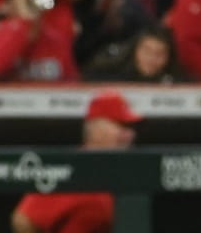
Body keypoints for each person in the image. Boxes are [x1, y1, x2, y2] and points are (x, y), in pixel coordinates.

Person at [10, 91, 139, 233]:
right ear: (96, 128)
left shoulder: (121, 173)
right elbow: (23, 220)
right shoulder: (75, 169)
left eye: (131, 128)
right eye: (121, 125)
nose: (129, 134)